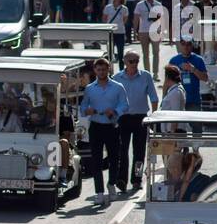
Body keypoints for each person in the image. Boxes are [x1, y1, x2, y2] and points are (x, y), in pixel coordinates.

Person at [80, 57, 128, 204]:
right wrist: (88, 110)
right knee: (96, 160)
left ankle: (111, 184)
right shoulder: (89, 89)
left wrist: (114, 111)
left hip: (111, 126)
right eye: (98, 69)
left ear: (108, 69)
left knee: (114, 158)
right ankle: (99, 192)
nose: (101, 72)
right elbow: (82, 109)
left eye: (103, 69)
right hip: (96, 126)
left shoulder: (118, 86)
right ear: (95, 71)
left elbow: (125, 105)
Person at [113, 51, 160, 192]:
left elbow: (154, 97)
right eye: (131, 61)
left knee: (139, 152)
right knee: (122, 151)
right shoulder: (117, 77)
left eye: (136, 61)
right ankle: (121, 179)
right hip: (123, 118)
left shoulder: (145, 76)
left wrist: (153, 117)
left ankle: (137, 179)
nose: (134, 64)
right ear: (125, 62)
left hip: (140, 118)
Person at [168, 37, 209, 111]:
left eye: (188, 44)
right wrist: (164, 99)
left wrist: (193, 69)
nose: (186, 47)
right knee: (177, 122)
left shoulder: (198, 60)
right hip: (177, 100)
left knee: (194, 122)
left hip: (193, 101)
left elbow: (205, 78)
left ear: (192, 45)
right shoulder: (174, 60)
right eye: (183, 44)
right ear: (180, 45)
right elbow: (167, 81)